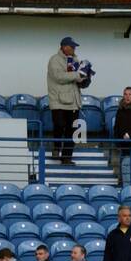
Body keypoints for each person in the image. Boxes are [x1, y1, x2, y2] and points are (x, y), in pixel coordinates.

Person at [46, 36, 84, 165]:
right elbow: (59, 77)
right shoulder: (54, 60)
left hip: (74, 101)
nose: (74, 49)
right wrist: (77, 75)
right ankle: (56, 148)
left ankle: (67, 157)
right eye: (72, 46)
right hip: (58, 101)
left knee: (71, 131)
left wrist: (85, 78)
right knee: (59, 126)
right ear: (64, 47)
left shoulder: (75, 60)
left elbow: (79, 78)